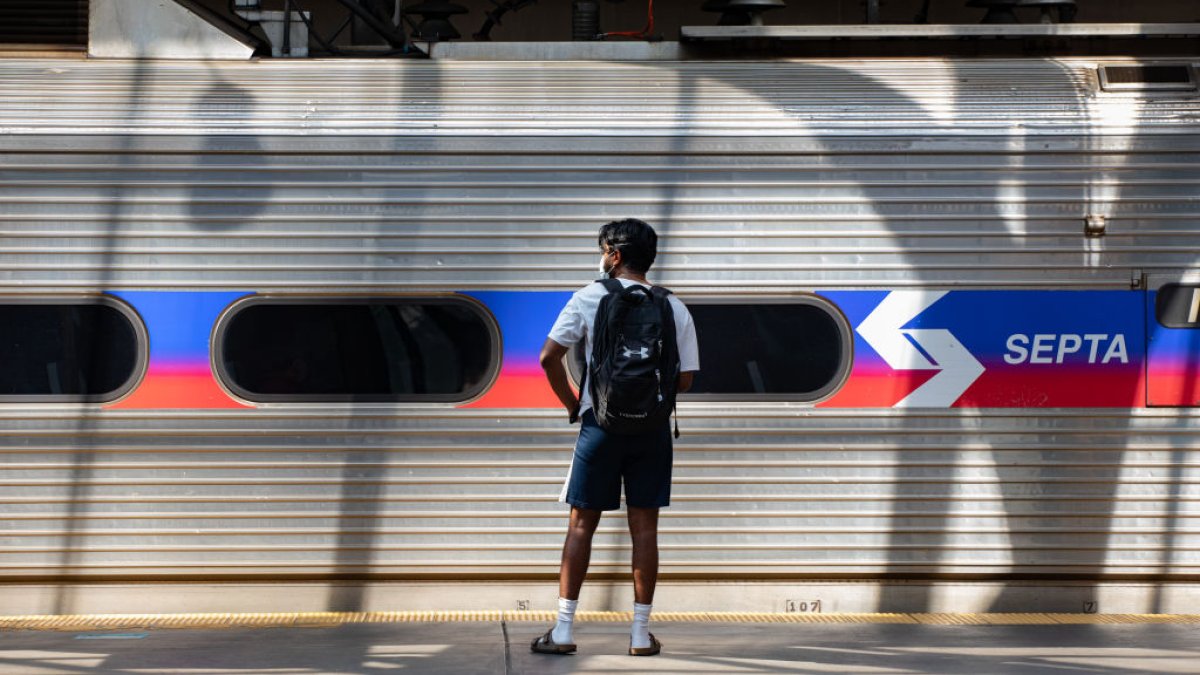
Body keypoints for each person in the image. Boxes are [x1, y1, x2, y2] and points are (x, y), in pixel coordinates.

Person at [530, 218, 700, 657]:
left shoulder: (588, 298)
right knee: (645, 530)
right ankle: (640, 636)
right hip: (652, 431)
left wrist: (573, 402)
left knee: (581, 524)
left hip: (599, 427)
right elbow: (684, 380)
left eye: (603, 249)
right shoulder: (673, 307)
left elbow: (549, 356)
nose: (601, 256)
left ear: (615, 255)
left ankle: (564, 631)